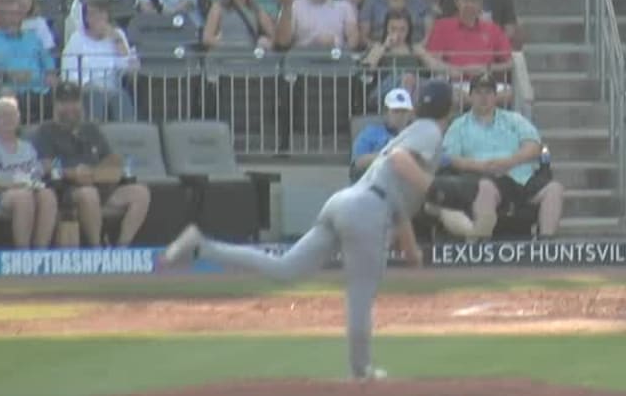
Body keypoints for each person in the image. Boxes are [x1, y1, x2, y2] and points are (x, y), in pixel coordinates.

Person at [165, 80, 457, 380]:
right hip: (367, 210)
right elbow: (399, 161)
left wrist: (410, 251)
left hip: (345, 201)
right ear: (450, 108)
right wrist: (433, 189)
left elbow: (397, 204)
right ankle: (361, 372)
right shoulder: (430, 130)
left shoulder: (411, 131)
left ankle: (202, 245)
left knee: (284, 269)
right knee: (360, 293)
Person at [442, 73, 565, 239]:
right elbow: (451, 158)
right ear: (471, 96)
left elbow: (534, 146)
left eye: (488, 93)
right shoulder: (458, 126)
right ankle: (482, 241)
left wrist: (510, 161)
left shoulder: (514, 120)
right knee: (485, 187)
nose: (484, 97)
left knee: (554, 189)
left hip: (520, 178)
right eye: (478, 93)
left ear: (495, 96)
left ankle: (546, 245)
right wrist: (481, 167)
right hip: (482, 177)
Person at [32, 83, 152, 248]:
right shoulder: (46, 130)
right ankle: (97, 248)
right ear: (56, 105)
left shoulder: (91, 129)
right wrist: (73, 173)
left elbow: (110, 159)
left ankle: (122, 247)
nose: (70, 107)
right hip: (66, 191)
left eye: (74, 102)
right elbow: (45, 166)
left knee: (140, 193)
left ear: (81, 104)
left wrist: (102, 172)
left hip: (100, 185)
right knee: (88, 194)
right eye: (64, 102)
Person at [0, 97, 58, 249]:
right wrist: (15, 183)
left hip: (28, 189)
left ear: (18, 118)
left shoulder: (27, 147)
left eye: (12, 115)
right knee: (23, 196)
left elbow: (36, 175)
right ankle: (22, 252)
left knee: (48, 195)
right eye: (3, 116)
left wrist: (42, 175)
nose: (8, 119)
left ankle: (40, 250)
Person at [351, 89, 415, 178]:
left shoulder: (417, 134)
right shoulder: (370, 134)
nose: (400, 116)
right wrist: (390, 155)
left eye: (404, 111)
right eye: (396, 111)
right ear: (385, 112)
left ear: (411, 114)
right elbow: (357, 165)